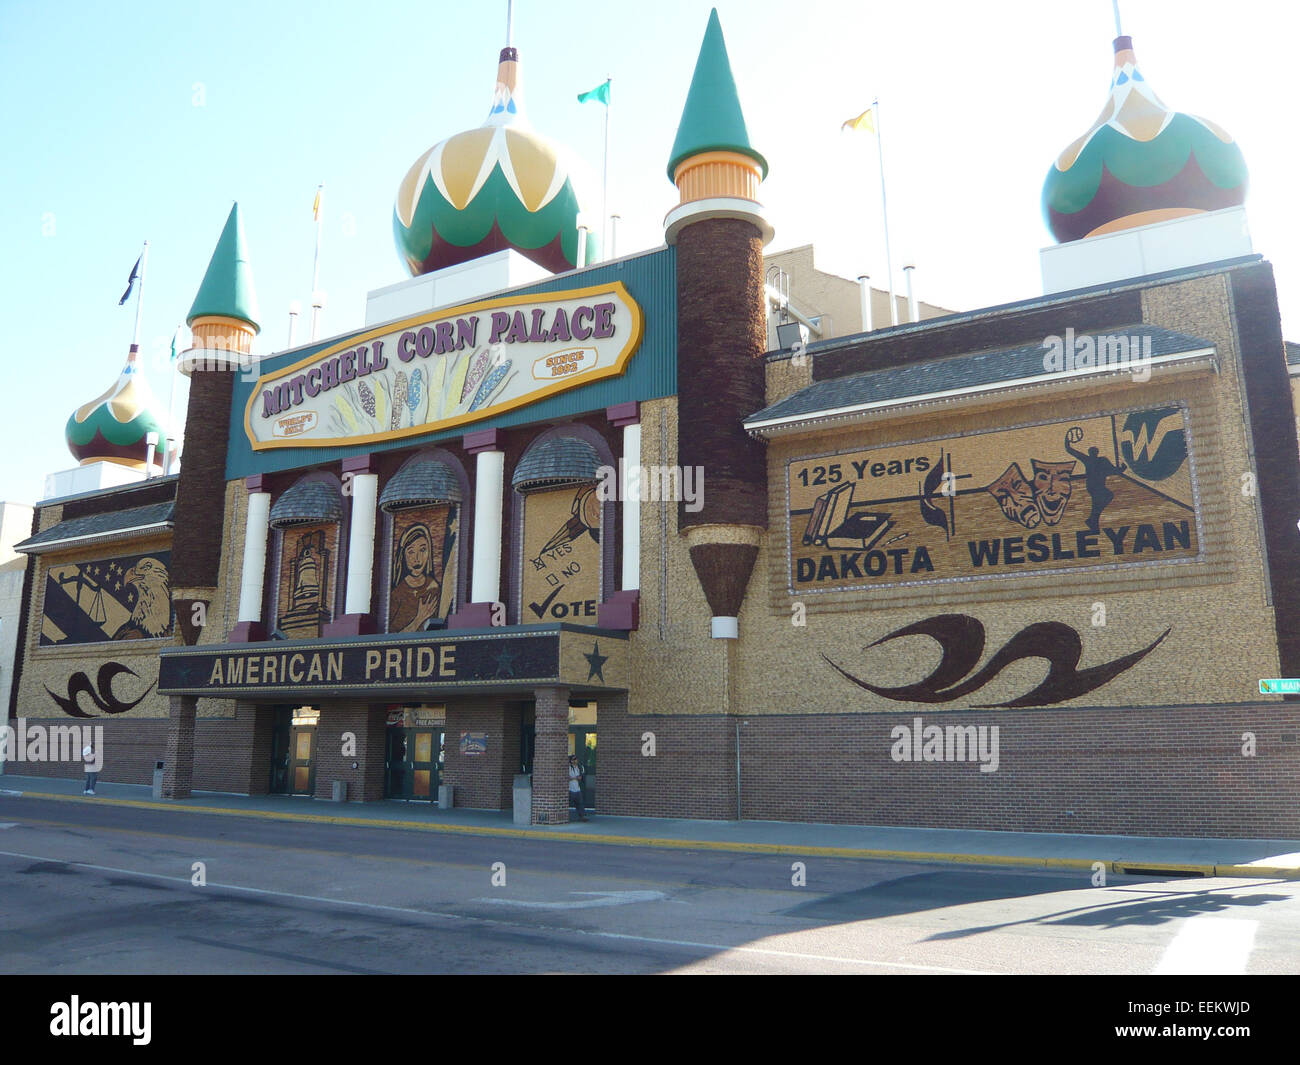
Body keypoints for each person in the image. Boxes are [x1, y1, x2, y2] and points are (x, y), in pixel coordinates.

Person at [568, 755, 587, 821]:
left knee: (580, 803)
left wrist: (576, 778)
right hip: (570, 789)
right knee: (568, 803)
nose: (575, 761)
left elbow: (580, 777)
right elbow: (568, 778)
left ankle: (582, 816)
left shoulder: (579, 767)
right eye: (573, 759)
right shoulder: (569, 768)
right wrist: (575, 778)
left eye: (576, 759)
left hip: (577, 789)